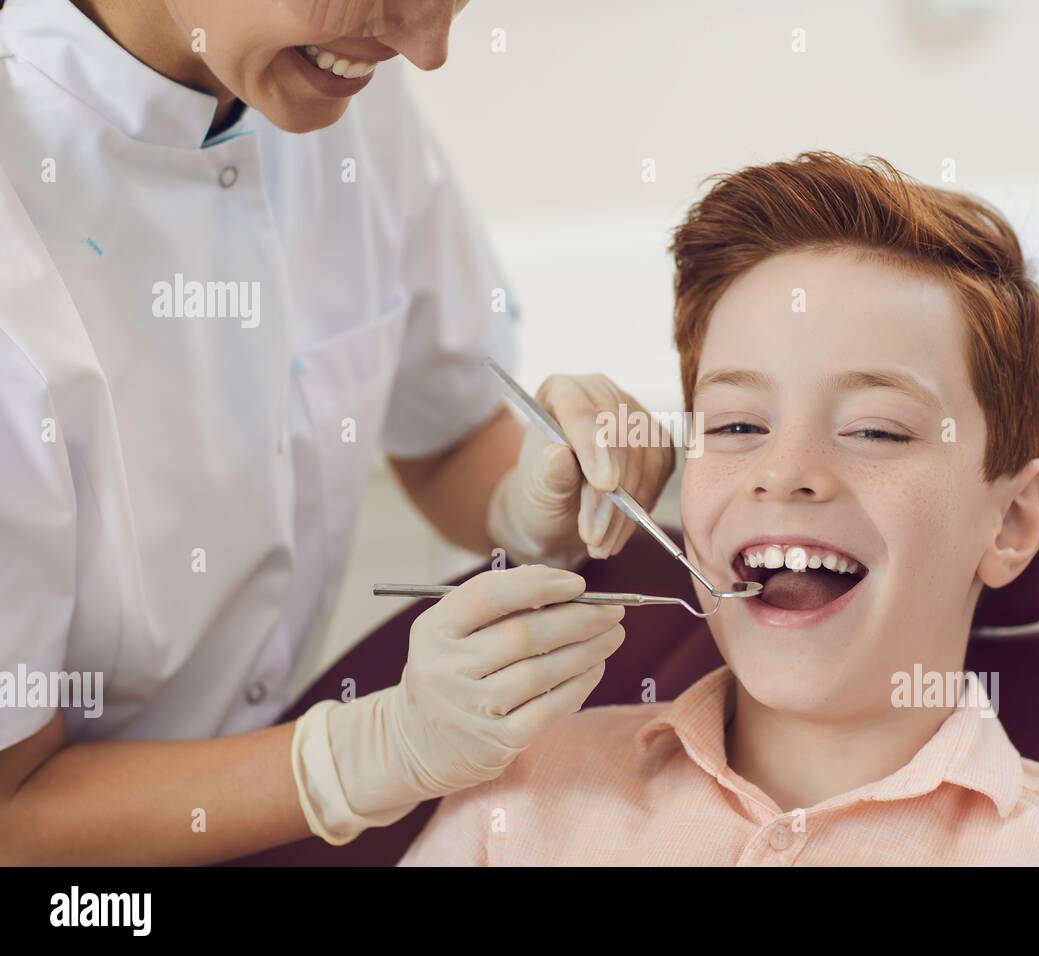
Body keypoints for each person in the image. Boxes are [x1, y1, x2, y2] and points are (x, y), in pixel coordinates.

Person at [0, 0, 672, 864]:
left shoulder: (326, 75)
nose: (427, 52)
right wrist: (359, 758)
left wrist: (534, 492)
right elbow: (14, 815)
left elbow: (449, 437)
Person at [399, 152, 1039, 866]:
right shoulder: (528, 790)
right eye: (740, 425)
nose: (785, 474)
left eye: (876, 431)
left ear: (1014, 521)